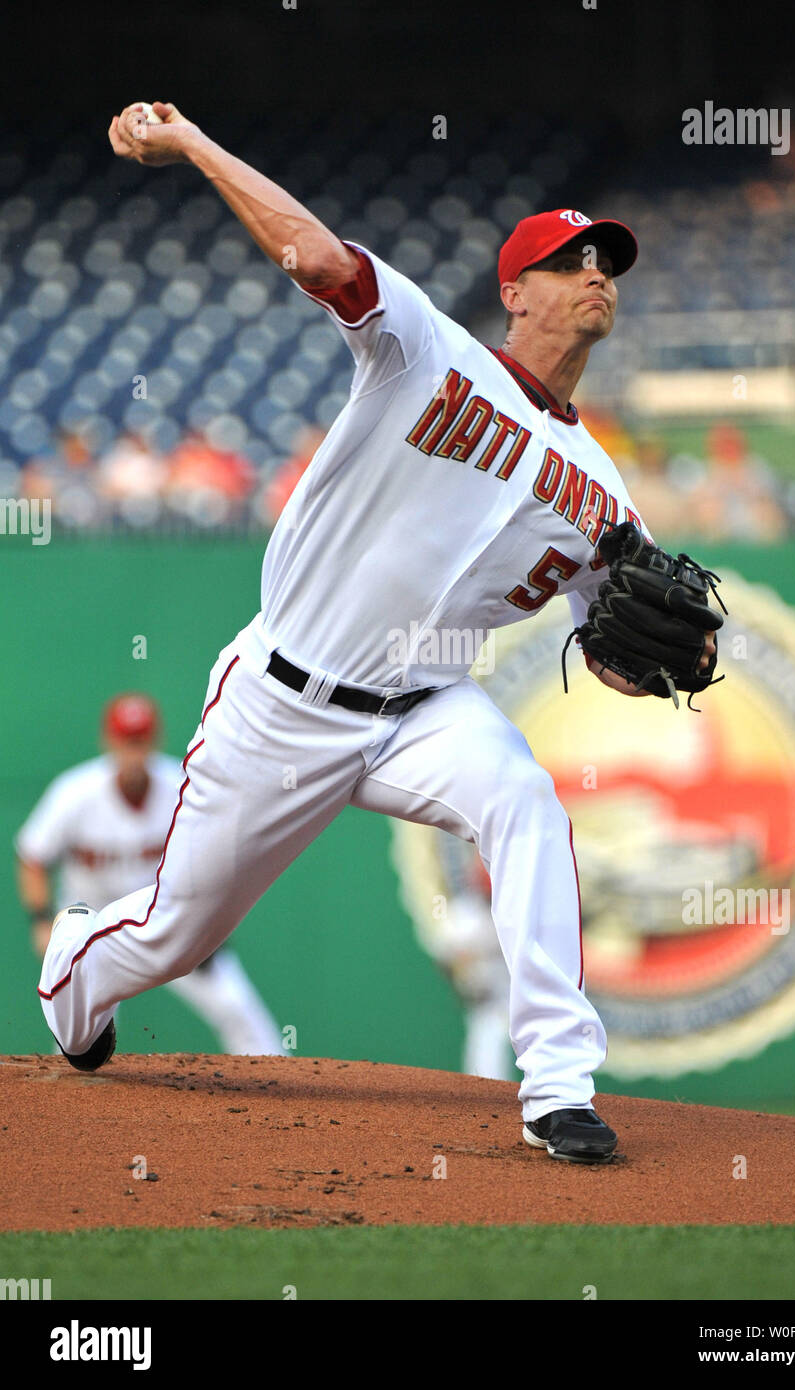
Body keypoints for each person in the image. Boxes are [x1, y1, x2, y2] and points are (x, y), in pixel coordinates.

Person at [38, 100, 716, 1166]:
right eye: (570, 258)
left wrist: (680, 664)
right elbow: (312, 252)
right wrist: (196, 144)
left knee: (526, 803)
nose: (596, 273)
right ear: (514, 290)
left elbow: (608, 651)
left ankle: (556, 1084)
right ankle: (77, 971)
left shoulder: (605, 490)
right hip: (281, 698)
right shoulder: (425, 351)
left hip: (425, 707)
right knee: (181, 932)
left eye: (606, 261)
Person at [19, 693, 283, 1056]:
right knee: (75, 1034)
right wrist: (39, 919)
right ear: (108, 741)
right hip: (90, 923)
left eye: (140, 740)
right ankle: (74, 1102)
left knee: (236, 1005)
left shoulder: (182, 785)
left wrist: (208, 922)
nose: (133, 750)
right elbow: (33, 856)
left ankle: (277, 1093)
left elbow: (216, 854)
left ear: (155, 740)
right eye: (126, 740)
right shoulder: (74, 792)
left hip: (159, 917)